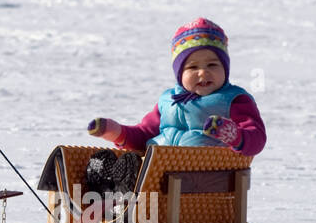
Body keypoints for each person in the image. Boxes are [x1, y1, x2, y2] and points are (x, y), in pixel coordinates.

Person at [87, 17, 267, 157]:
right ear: (179, 73)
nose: (203, 73)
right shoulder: (168, 100)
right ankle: (101, 193)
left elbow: (257, 138)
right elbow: (144, 134)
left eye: (212, 65)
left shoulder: (234, 100)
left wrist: (233, 135)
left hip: (205, 175)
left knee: (138, 178)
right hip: (159, 169)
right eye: (193, 67)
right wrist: (116, 132)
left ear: (225, 69)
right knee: (122, 164)